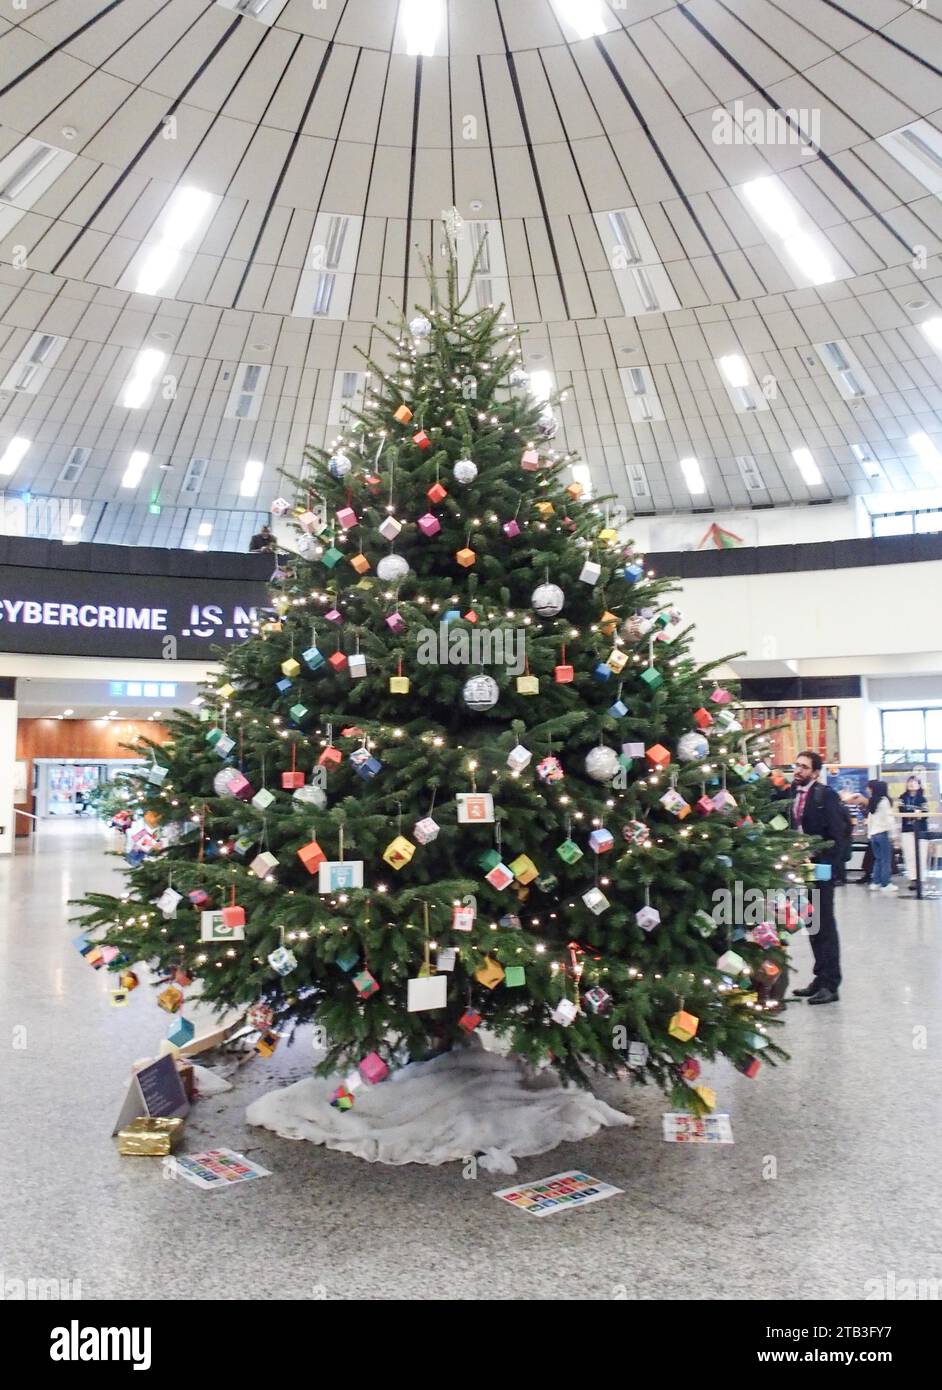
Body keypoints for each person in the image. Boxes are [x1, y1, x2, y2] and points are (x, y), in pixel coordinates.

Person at [775, 750, 846, 1005]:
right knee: (812, 925)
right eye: (797, 765)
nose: (798, 770)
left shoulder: (825, 795)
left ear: (815, 772)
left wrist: (828, 864)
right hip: (799, 871)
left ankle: (831, 984)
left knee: (825, 924)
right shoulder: (792, 794)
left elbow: (838, 834)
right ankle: (819, 978)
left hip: (821, 870)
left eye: (804, 767)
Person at [847, 780, 896, 893]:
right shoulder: (884, 801)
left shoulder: (872, 802)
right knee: (885, 860)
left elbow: (870, 820)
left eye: (869, 788)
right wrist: (893, 835)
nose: (867, 790)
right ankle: (886, 884)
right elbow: (889, 819)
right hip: (883, 833)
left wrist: (870, 834)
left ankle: (876, 882)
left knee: (878, 859)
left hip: (873, 835)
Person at [899, 776, 929, 890]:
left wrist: (916, 813)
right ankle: (912, 879)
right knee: (909, 855)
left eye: (915, 782)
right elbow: (902, 811)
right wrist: (915, 812)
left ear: (919, 785)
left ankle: (921, 879)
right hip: (907, 830)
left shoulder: (923, 799)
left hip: (921, 830)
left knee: (921, 854)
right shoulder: (902, 797)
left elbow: (925, 815)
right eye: (910, 782)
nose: (912, 784)